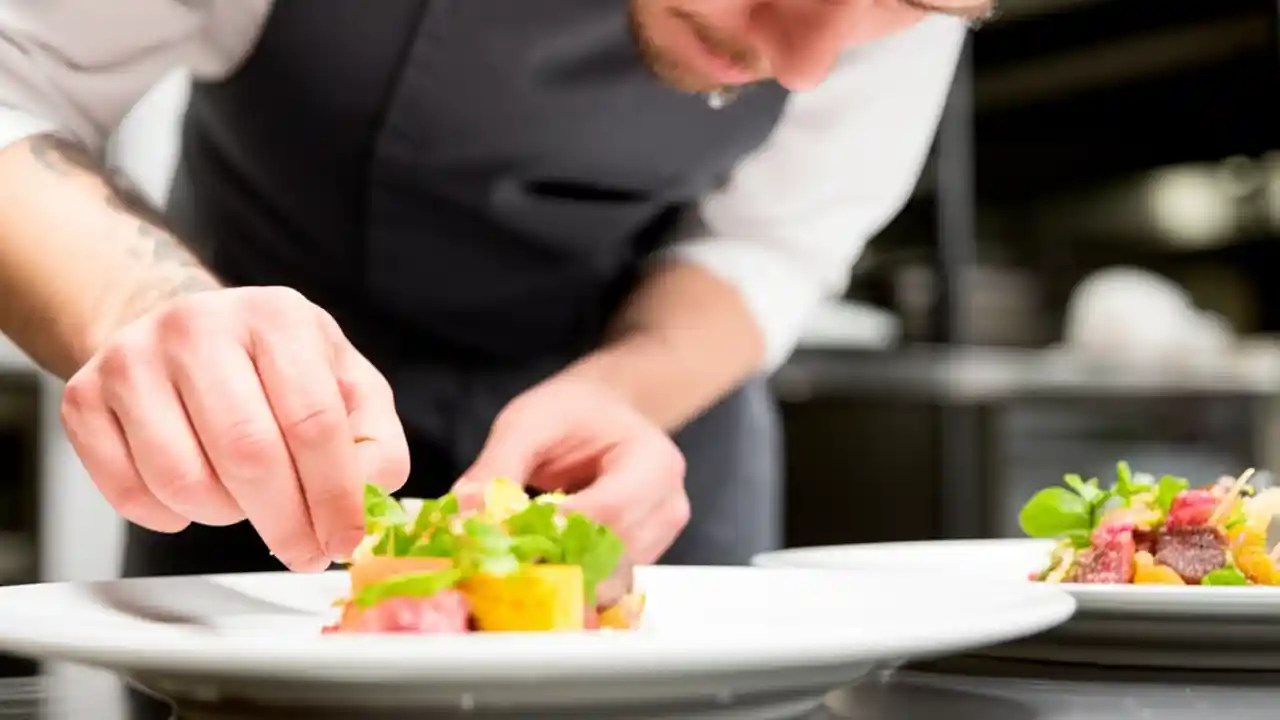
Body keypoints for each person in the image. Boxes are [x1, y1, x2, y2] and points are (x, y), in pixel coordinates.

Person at [0, 0, 983, 576]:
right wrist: (147, 310)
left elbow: (773, 245)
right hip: (256, 451)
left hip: (644, 459)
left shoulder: (867, 28)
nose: (806, 63)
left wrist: (613, 399)